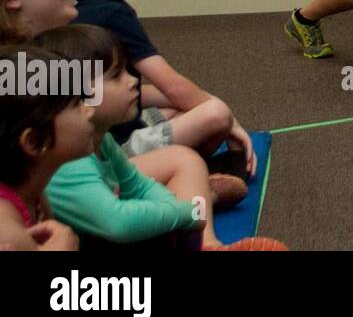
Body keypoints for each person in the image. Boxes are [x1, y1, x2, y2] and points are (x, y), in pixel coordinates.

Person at [47, 0, 254, 204]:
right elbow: (171, 83)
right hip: (113, 145)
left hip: (105, 131)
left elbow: (146, 91)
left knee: (183, 108)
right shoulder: (112, 13)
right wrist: (231, 122)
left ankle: (181, 173)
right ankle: (181, 179)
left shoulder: (88, 7)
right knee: (214, 113)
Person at [37, 25, 285, 250]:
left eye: (126, 71)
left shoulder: (101, 140)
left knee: (176, 180)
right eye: (116, 76)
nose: (133, 81)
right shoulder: (71, 161)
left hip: (106, 228)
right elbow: (118, 222)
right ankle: (203, 205)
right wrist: (186, 213)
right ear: (76, 98)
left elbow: (138, 185)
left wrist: (177, 210)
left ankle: (206, 241)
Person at [0, 46, 93, 250]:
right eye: (77, 104)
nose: (89, 111)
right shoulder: (9, 234)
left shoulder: (33, 191)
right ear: (34, 141)